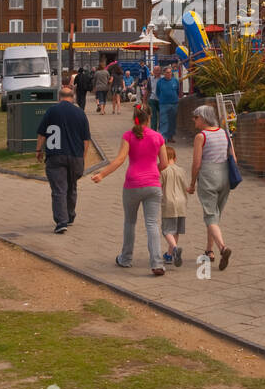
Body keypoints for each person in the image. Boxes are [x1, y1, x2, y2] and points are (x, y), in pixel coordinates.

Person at [92, 106, 168, 275]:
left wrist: (102, 174)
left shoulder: (128, 136)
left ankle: (126, 258)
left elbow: (119, 159)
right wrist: (152, 171)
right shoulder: (158, 137)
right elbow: (164, 163)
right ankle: (156, 263)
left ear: (134, 118)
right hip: (153, 185)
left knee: (130, 222)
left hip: (132, 184)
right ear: (149, 118)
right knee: (152, 224)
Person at [187, 104, 239, 270]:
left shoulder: (201, 137)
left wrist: (192, 183)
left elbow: (196, 164)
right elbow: (234, 158)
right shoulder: (224, 133)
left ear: (203, 118)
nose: (193, 120)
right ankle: (209, 251)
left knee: (210, 216)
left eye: (195, 117)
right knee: (215, 216)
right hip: (224, 177)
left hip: (208, 177)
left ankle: (222, 247)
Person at [36, 85, 92, 234]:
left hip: (55, 155)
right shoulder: (80, 113)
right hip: (75, 156)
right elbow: (86, 139)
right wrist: (83, 157)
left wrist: (38, 150)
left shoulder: (51, 111)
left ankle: (61, 221)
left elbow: (42, 133)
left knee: (59, 189)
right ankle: (70, 215)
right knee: (72, 186)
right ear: (72, 98)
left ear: (59, 97)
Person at [160, 144, 189, 267]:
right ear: (175, 158)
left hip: (169, 203)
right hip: (181, 203)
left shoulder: (163, 171)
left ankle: (175, 249)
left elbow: (159, 187)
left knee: (166, 230)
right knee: (176, 230)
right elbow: (186, 187)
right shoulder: (181, 170)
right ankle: (169, 255)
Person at [156, 65, 180, 143]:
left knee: (172, 121)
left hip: (174, 104)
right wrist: (162, 99)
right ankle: (163, 138)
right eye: (167, 72)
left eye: (170, 72)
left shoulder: (175, 81)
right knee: (163, 121)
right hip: (163, 104)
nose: (169, 74)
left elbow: (178, 91)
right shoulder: (160, 82)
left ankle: (170, 137)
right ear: (164, 73)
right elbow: (158, 93)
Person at [148, 65, 162, 131]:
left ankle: (161, 131)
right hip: (152, 99)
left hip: (162, 100)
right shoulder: (150, 79)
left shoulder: (163, 79)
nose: (156, 72)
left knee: (162, 116)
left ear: (160, 71)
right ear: (153, 71)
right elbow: (148, 90)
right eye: (155, 70)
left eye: (158, 70)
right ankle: (153, 131)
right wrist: (144, 102)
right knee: (153, 117)